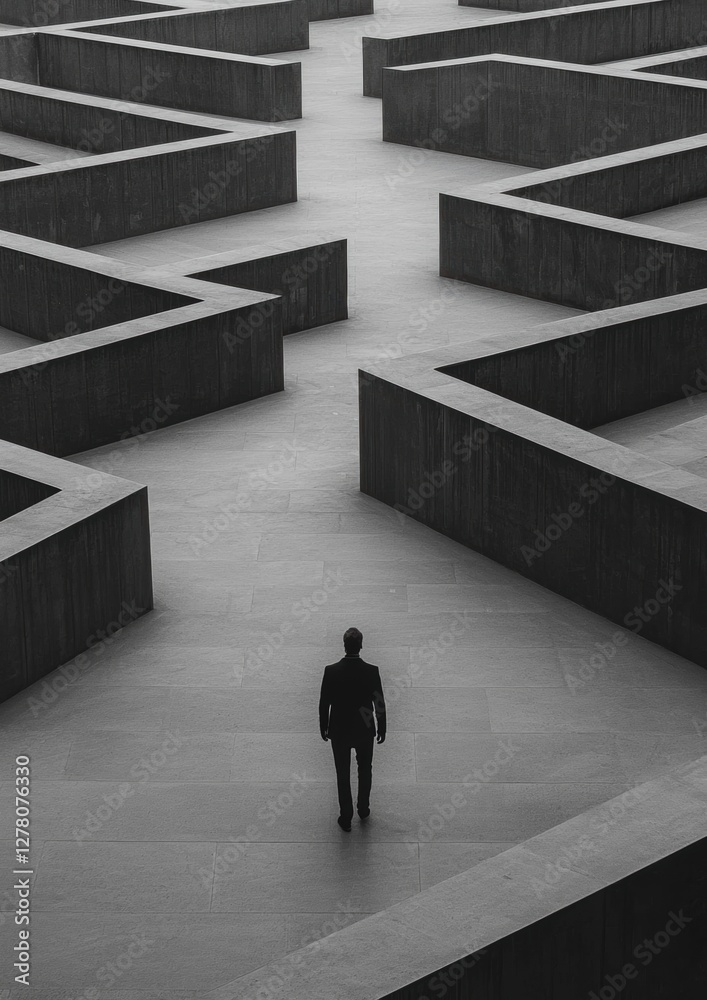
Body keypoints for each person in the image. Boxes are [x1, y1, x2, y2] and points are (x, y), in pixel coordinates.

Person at [319, 627, 386, 832]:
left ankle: (346, 816)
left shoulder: (331, 671)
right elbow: (379, 703)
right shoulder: (371, 671)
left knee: (343, 773)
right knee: (365, 770)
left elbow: (324, 703)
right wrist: (381, 727)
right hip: (364, 729)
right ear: (361, 645)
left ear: (344, 645)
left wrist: (324, 726)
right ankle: (363, 808)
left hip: (339, 730)